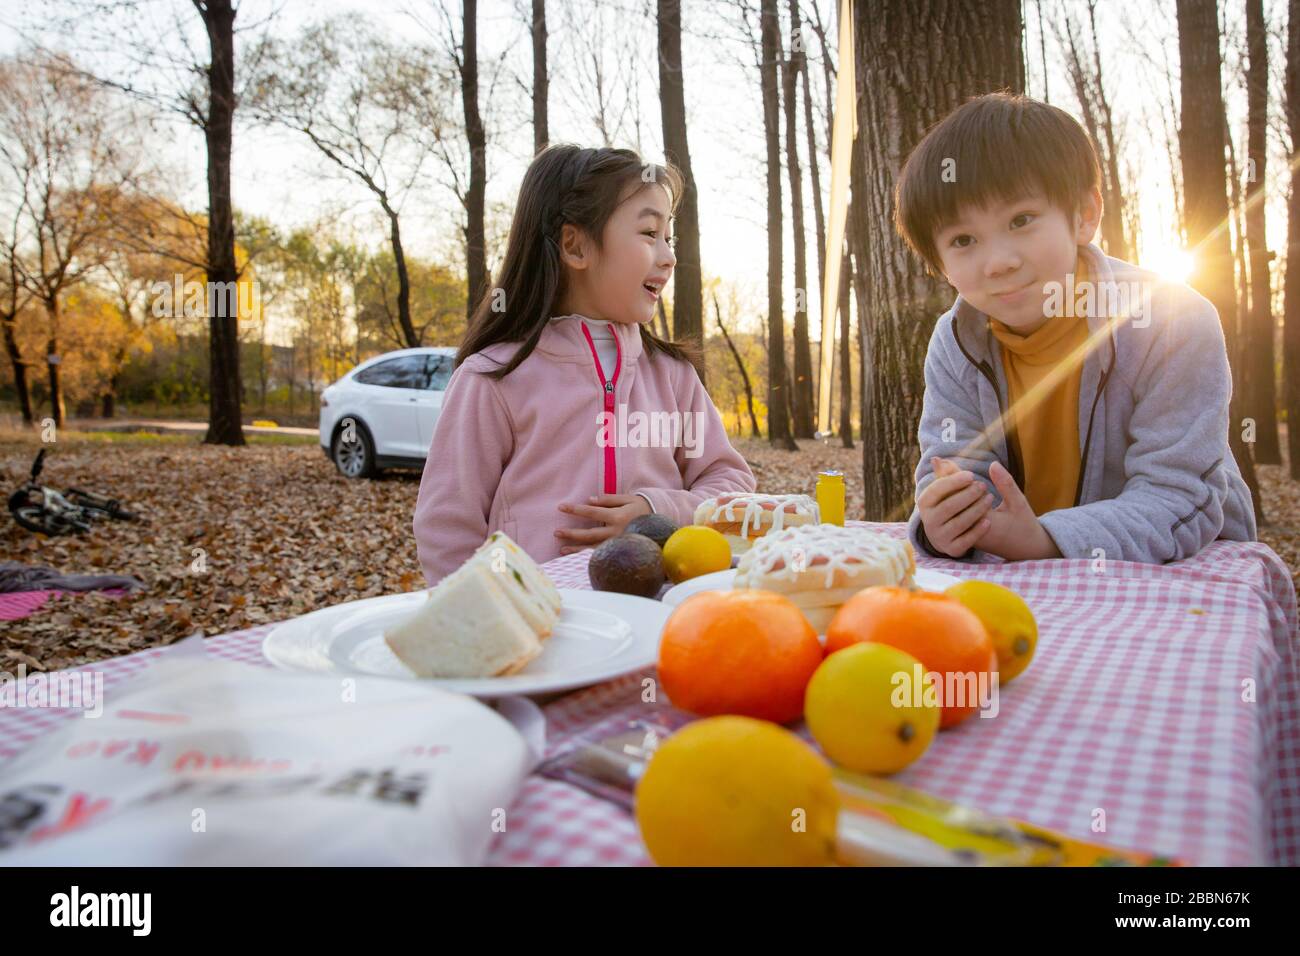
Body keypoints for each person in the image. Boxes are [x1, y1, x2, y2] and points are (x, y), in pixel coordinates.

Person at [895, 92, 1255, 563]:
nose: (998, 262)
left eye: (1021, 220)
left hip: (1188, 569)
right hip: (1028, 574)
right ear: (939, 264)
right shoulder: (956, 342)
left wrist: (1046, 539)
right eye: (963, 240)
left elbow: (1178, 495)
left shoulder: (1171, 320)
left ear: (1085, 216)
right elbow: (954, 469)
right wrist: (946, 523)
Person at [414, 144, 756, 585]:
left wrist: (657, 510)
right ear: (575, 246)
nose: (669, 256)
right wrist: (487, 613)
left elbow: (729, 480)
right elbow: (447, 528)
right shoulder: (492, 379)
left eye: (668, 238)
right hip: (542, 617)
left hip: (659, 611)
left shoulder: (673, 377)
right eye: (649, 233)